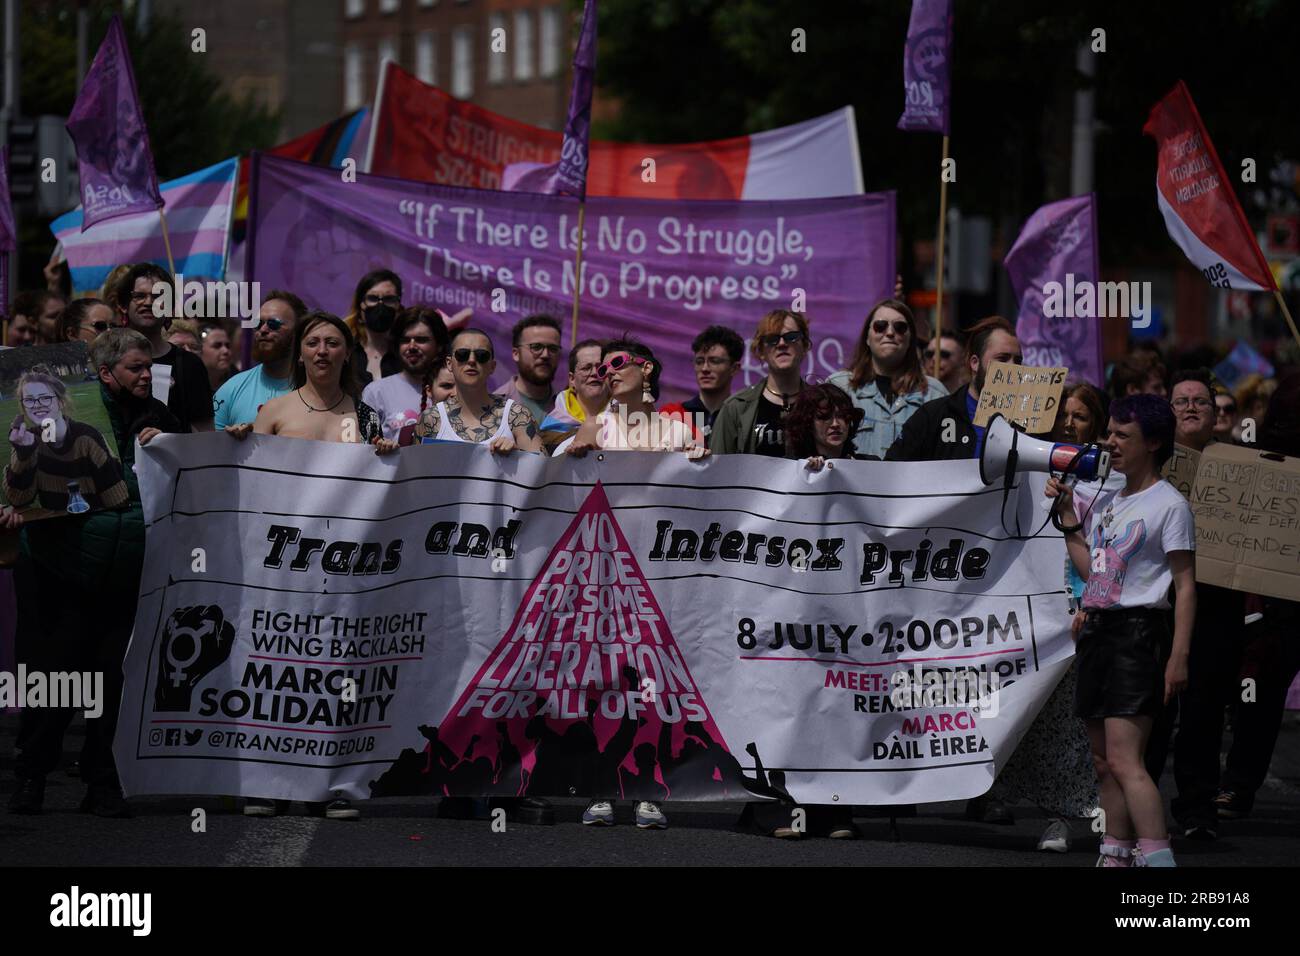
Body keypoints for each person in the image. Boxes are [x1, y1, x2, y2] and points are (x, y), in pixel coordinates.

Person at [224, 312, 395, 821]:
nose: (323, 351)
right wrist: (235, 443)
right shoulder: (273, 412)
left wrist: (385, 454)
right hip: (278, 567)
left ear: (348, 354)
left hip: (342, 568)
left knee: (339, 671)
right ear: (300, 353)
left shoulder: (365, 420)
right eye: (314, 343)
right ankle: (264, 779)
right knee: (271, 670)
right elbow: (248, 489)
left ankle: (332, 781)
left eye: (333, 343)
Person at [6, 328, 184, 817]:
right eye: (135, 368)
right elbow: (22, 490)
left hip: (124, 579)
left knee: (113, 684)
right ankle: (32, 778)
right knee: (56, 683)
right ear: (106, 373)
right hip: (62, 573)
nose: (147, 375)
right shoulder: (71, 425)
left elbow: (193, 468)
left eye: (148, 367)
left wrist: (170, 444)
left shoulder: (158, 416)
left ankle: (102, 783)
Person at [561, 336, 706, 830]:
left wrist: (700, 461)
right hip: (605, 575)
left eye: (618, 363)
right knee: (603, 683)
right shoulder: (595, 426)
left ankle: (649, 789)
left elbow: (704, 494)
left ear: (648, 370)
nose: (607, 371)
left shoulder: (676, 428)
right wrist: (572, 455)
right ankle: (602, 787)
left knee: (654, 684)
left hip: (661, 574)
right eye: (602, 366)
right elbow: (560, 493)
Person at [1046, 393, 1195, 867]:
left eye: (1121, 435)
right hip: (1099, 633)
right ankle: (1116, 853)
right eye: (1109, 432)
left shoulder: (1170, 505)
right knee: (1103, 762)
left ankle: (1158, 859)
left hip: (1138, 635)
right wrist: (1069, 519)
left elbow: (1187, 588)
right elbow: (1096, 573)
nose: (1109, 443)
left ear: (1152, 442)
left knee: (1128, 760)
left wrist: (1178, 656)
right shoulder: (1111, 500)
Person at [994, 380, 1109, 853]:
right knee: (1044, 717)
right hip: (1042, 609)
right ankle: (1045, 810)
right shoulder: (1037, 469)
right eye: (1064, 414)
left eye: (1080, 416)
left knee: (1083, 723)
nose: (1069, 423)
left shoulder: (1110, 479)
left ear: (1096, 424)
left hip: (1088, 608)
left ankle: (1087, 815)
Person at [1143, 368, 1245, 840]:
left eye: (1200, 402)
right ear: (1167, 411)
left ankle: (1197, 812)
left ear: (1215, 414)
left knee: (1203, 716)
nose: (1189, 407)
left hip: (1217, 610)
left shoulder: (1245, 474)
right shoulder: (1147, 467)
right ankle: (1136, 807)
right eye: (1180, 400)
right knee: (1152, 714)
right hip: (1156, 607)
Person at [1216, 372, 1300, 820]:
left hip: (1276, 604)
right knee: (1260, 697)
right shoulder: (1258, 462)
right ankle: (1237, 785)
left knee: (1260, 700)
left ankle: (1237, 786)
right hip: (1276, 600)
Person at [885, 315, 1022, 463]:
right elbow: (893, 469)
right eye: (1002, 359)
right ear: (975, 363)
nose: (1013, 367)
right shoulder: (933, 416)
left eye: (1018, 361)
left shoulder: (1028, 422)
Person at [828, 299, 947, 459]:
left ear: (911, 339)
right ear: (867, 338)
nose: (890, 333)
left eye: (900, 327)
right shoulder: (838, 387)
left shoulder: (935, 394)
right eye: (880, 326)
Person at [4, 369, 130, 513]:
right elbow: (18, 499)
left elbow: (119, 501)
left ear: (61, 402)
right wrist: (23, 455)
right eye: (29, 400)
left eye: (45, 397)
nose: (37, 404)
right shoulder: (26, 440)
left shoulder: (88, 438)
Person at [115, 263, 214, 432]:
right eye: (139, 296)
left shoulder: (190, 365)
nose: (148, 303)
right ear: (124, 305)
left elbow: (205, 435)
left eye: (158, 296)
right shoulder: (104, 359)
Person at [415, 328, 542, 453]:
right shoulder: (430, 419)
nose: (471, 360)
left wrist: (518, 455)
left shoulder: (518, 416)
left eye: (481, 356)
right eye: (462, 354)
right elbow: (415, 470)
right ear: (449, 363)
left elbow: (542, 469)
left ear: (492, 367)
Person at [711, 309, 810, 456]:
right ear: (761, 351)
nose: (782, 344)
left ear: (805, 345)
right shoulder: (735, 408)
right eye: (772, 339)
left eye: (791, 337)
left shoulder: (823, 406)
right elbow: (716, 470)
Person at [213, 290, 305, 429]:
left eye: (273, 324)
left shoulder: (318, 392)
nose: (262, 330)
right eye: (258, 323)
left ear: (298, 332)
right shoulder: (231, 390)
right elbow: (210, 446)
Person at [361, 307, 450, 442]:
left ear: (439, 345)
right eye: (405, 340)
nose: (412, 346)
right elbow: (364, 450)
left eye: (421, 340)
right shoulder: (375, 392)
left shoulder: (457, 391)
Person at [494, 314, 563, 428]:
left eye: (553, 349)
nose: (545, 355)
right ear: (516, 354)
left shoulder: (567, 406)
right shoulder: (495, 405)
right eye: (536, 347)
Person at [537, 338, 607, 450]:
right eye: (586, 368)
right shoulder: (551, 430)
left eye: (600, 367)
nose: (594, 373)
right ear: (572, 379)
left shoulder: (625, 416)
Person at [681, 325, 744, 446]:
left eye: (714, 361)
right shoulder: (678, 414)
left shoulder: (743, 417)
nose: (705, 369)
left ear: (734, 368)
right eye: (699, 362)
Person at [784, 382, 866, 470]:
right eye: (824, 417)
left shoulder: (870, 465)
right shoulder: (789, 468)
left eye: (842, 416)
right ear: (808, 423)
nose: (835, 424)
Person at [345, 269, 404, 386]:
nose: (380, 305)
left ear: (398, 305)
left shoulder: (406, 353)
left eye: (388, 299)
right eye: (372, 298)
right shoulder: (346, 352)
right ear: (360, 304)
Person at [198, 323, 234, 392]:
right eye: (217, 346)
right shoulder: (186, 384)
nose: (226, 351)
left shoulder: (239, 383)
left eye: (228, 346)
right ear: (199, 350)